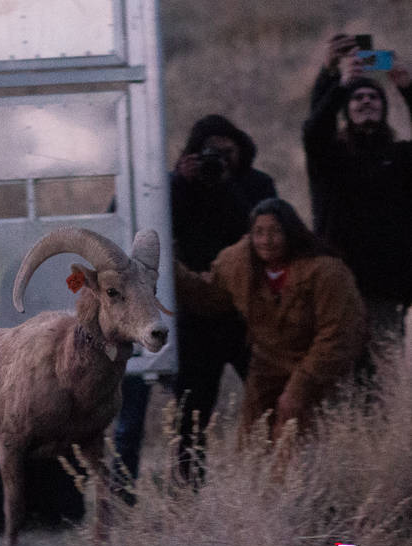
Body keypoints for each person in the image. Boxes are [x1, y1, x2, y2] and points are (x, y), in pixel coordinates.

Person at [114, 115, 276, 485]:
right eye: (209, 153)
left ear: (241, 150)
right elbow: (150, 227)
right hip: (195, 314)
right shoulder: (177, 187)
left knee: (269, 393)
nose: (218, 160)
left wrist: (226, 185)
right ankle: (188, 491)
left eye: (226, 152)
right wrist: (176, 183)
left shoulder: (256, 184)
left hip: (246, 311)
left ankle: (274, 478)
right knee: (192, 413)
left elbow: (264, 232)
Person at [175, 198, 366, 440]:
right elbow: (207, 294)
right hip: (266, 367)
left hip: (316, 367)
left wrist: (301, 387)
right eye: (259, 232)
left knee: (296, 441)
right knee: (253, 444)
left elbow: (338, 335)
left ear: (291, 232)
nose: (266, 240)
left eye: (275, 231)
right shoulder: (239, 263)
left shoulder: (326, 272)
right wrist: (170, 270)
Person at [304, 34, 412, 344]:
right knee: (340, 373)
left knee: (380, 375)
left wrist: (407, 88)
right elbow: (314, 129)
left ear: (383, 108)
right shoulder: (330, 158)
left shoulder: (401, 158)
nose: (366, 100)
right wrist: (334, 81)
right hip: (338, 283)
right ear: (346, 109)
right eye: (357, 97)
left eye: (374, 97)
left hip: (387, 286)